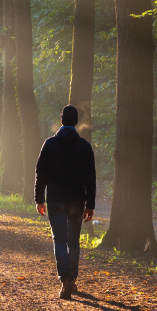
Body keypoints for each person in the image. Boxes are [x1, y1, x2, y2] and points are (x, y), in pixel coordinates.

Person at [34, 105, 96, 300]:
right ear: (76, 122)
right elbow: (90, 178)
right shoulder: (84, 146)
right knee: (73, 241)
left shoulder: (49, 144)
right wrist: (90, 204)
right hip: (77, 200)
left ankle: (65, 279)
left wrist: (38, 199)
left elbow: (40, 173)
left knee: (59, 240)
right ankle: (72, 278)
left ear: (61, 121)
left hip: (55, 200)